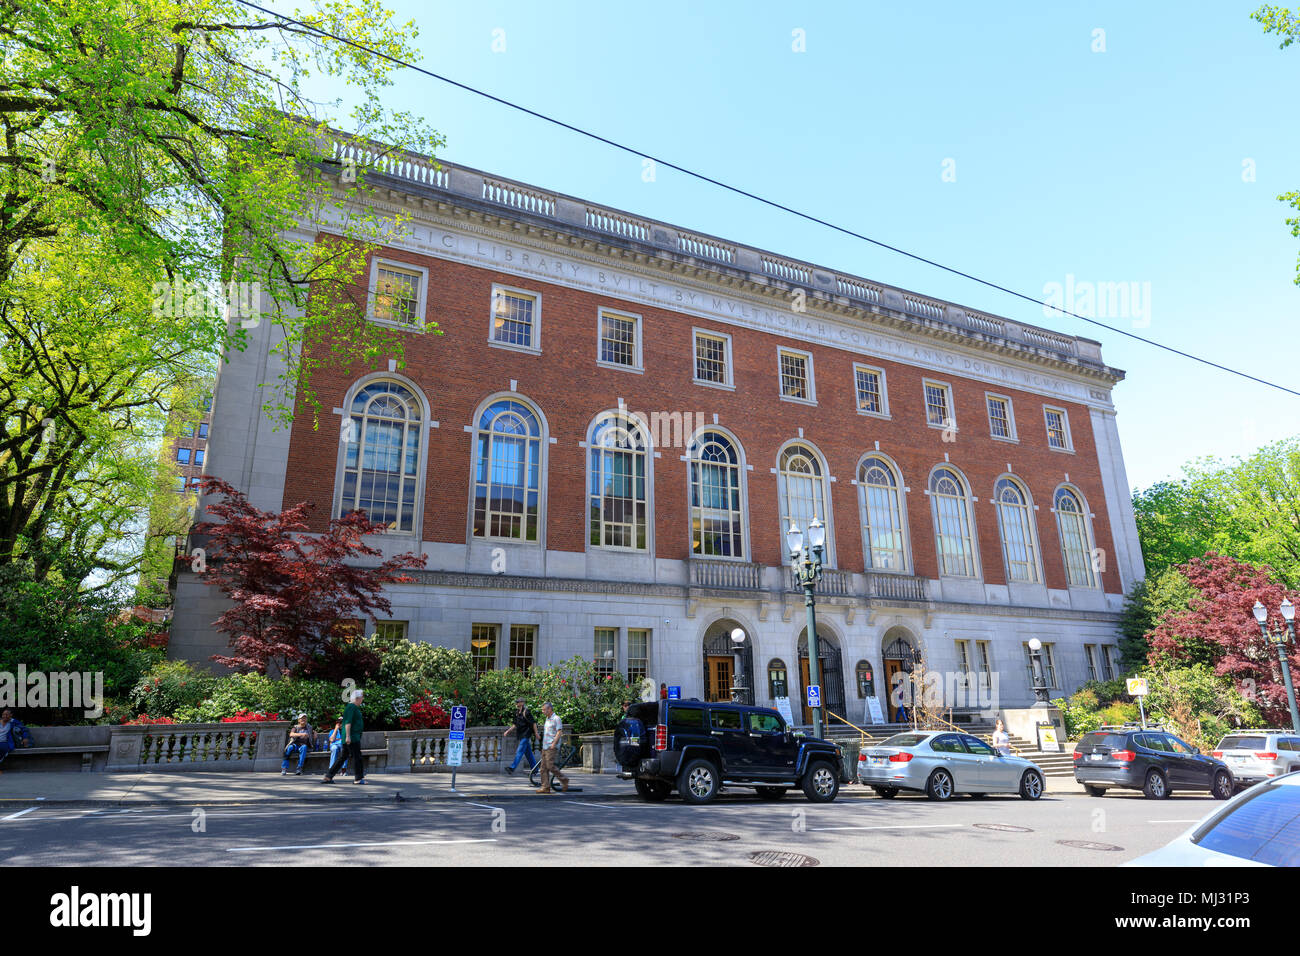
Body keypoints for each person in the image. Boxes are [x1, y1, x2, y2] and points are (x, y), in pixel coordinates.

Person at [323, 689, 366, 784]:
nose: (363, 699)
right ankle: (358, 779)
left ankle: (328, 776)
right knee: (357, 757)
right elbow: (347, 722)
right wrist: (347, 736)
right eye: (362, 697)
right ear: (357, 698)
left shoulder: (352, 707)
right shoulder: (351, 707)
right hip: (352, 737)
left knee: (343, 757)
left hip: (351, 736)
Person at [536, 701, 569, 794]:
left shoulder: (556, 718)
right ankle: (545, 787)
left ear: (549, 709)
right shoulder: (547, 719)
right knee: (543, 768)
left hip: (551, 746)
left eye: (544, 709)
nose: (542, 711)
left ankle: (564, 779)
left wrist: (554, 743)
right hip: (545, 746)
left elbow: (559, 732)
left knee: (550, 766)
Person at [502, 697, 537, 775]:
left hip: (526, 734)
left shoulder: (526, 712)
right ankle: (535, 769)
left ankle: (512, 768)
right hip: (521, 734)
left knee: (520, 751)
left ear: (522, 702)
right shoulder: (517, 712)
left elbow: (534, 723)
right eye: (516, 702)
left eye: (518, 702)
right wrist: (508, 731)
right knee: (528, 754)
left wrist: (536, 733)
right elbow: (515, 725)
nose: (517, 703)